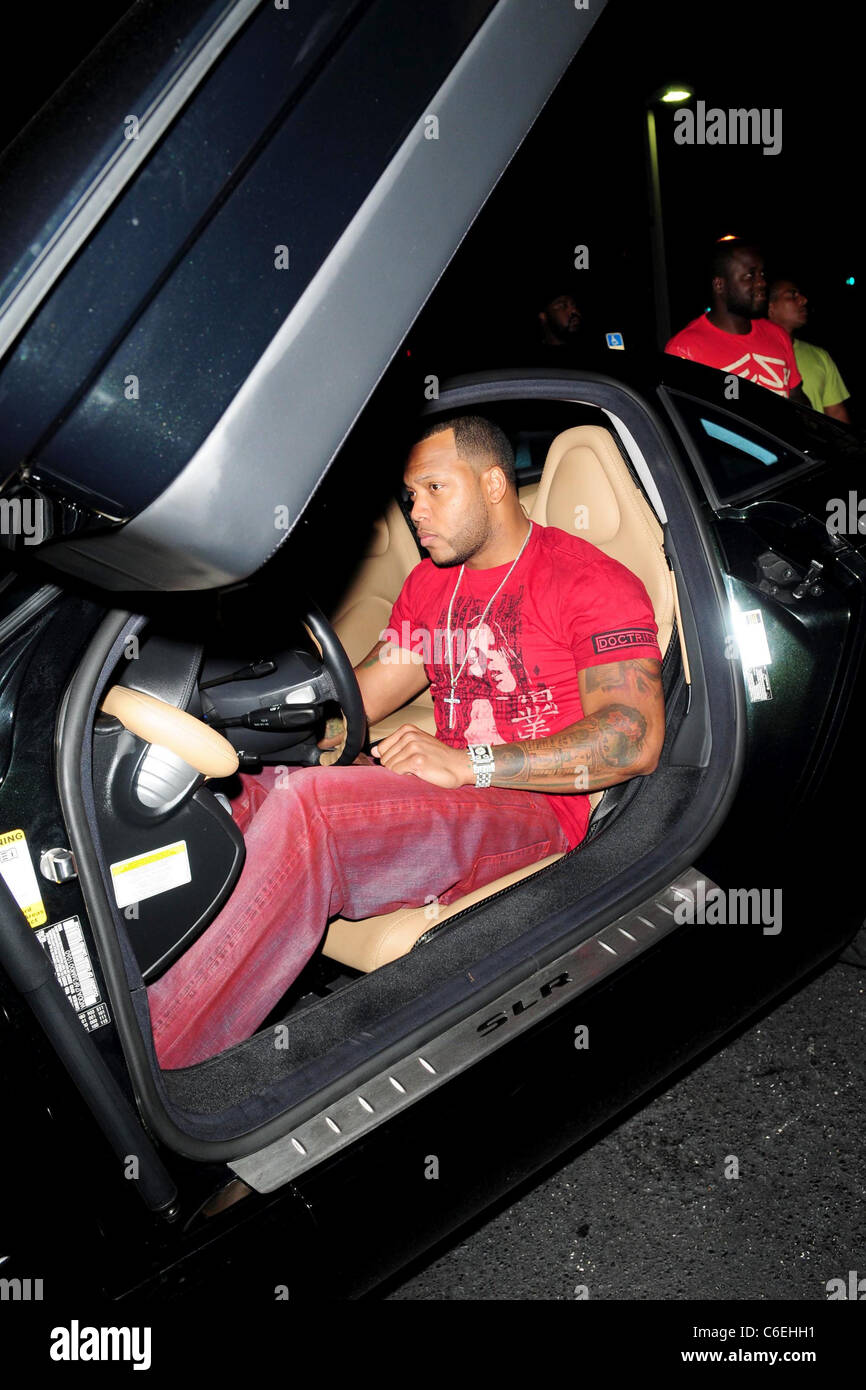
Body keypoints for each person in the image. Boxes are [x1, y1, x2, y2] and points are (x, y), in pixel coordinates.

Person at [147, 415, 665, 1068]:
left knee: (313, 816)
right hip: (450, 789)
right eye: (410, 495)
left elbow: (632, 739)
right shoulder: (429, 583)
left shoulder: (589, 579)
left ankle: (153, 1066)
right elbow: (365, 693)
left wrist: (468, 761)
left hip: (534, 804)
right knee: (241, 785)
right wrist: (238, 715)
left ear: (495, 483)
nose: (416, 509)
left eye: (434, 489)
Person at [665, 241, 807, 401]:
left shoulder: (777, 334)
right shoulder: (685, 349)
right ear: (720, 285)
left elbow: (798, 402)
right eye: (750, 275)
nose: (762, 282)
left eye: (762, 274)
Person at [767, 279, 851, 422]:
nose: (804, 300)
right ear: (771, 308)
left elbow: (836, 414)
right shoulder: (751, 352)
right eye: (792, 296)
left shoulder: (820, 356)